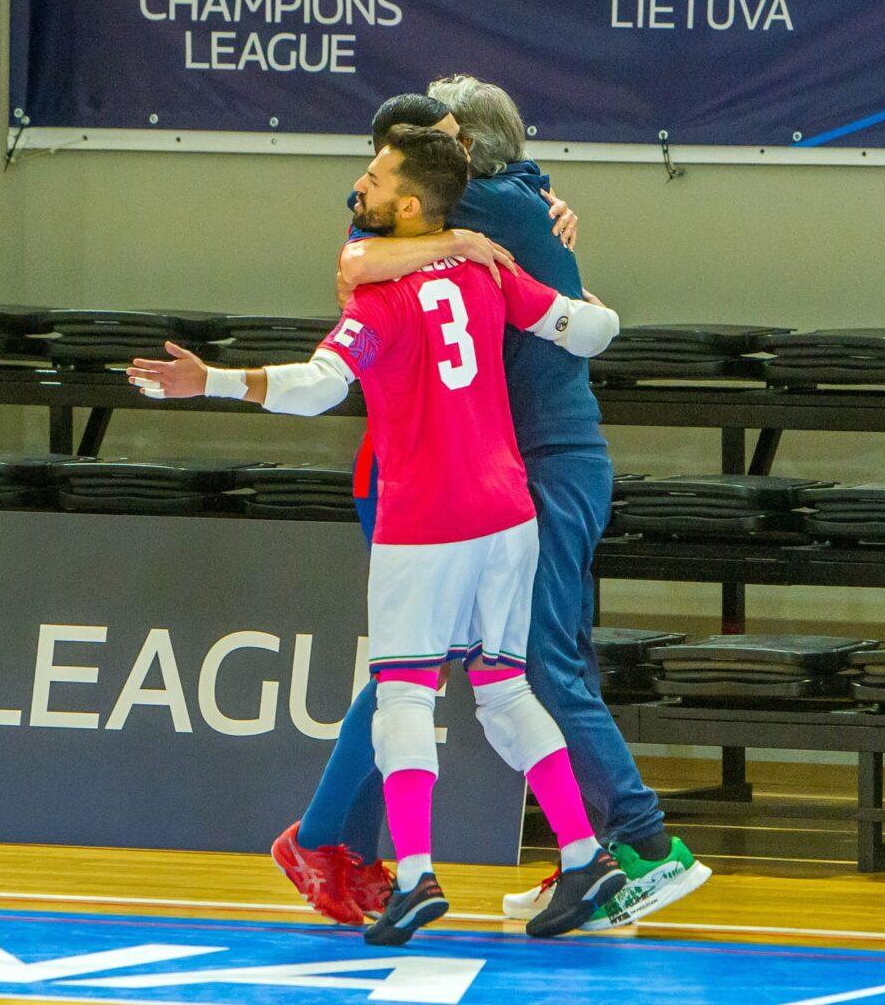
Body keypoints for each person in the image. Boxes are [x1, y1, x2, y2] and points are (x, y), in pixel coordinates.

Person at [129, 126, 624, 943]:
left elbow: (319, 388)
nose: (356, 187)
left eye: (370, 176)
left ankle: (420, 877)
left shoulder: (382, 297)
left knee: (402, 692)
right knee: (504, 691)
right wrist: (588, 301)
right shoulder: (486, 269)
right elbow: (590, 331)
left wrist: (208, 382)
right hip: (509, 514)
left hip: (426, 519)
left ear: (405, 202)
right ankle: (583, 857)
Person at [286, 79, 710, 931]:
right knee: (452, 665)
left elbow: (357, 257)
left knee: (492, 665)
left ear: (462, 156)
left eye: (437, 139)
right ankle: (572, 851)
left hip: (517, 468)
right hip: (487, 471)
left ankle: (640, 846)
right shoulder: (512, 198)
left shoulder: (479, 209)